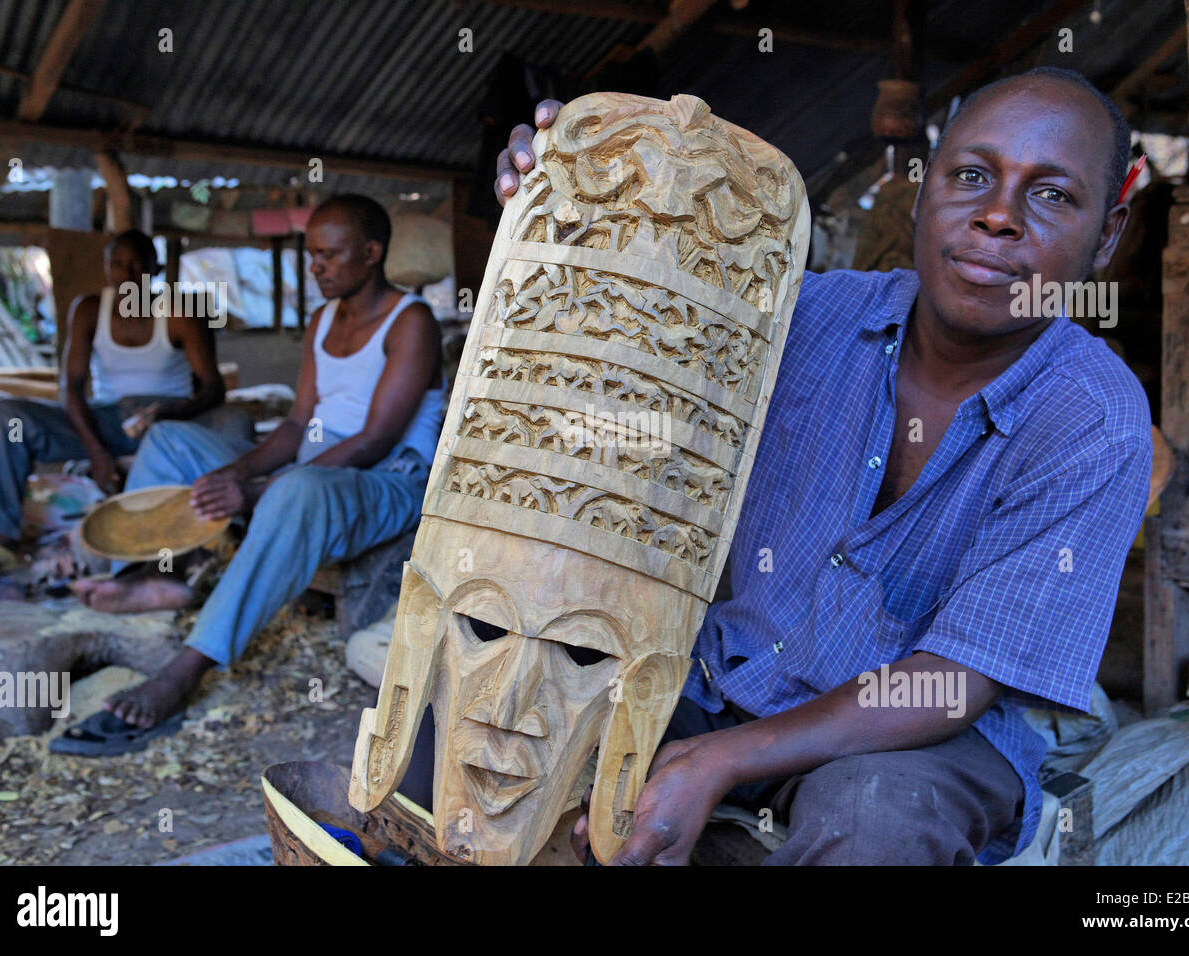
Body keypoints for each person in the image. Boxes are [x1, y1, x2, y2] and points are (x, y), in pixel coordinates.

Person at [451, 66, 1152, 865]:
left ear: (1107, 233)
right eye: (971, 176)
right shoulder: (799, 315)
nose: (997, 216)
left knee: (875, 819)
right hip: (720, 679)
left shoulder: (1093, 421)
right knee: (499, 713)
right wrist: (572, 217)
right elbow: (628, 358)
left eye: (1052, 195)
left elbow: (953, 684)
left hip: (921, 738)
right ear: (922, 197)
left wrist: (720, 760)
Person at [60, 194, 445, 748]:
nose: (317, 267)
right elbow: (293, 426)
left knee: (297, 489)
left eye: (331, 255)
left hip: (387, 482)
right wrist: (239, 476)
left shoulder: (413, 322)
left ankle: (185, 669)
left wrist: (264, 488)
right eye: (312, 254)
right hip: (315, 468)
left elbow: (377, 438)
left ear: (371, 253)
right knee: (170, 440)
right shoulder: (320, 322)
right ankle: (154, 573)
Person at [0, 230, 227, 580]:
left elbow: (213, 389)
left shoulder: (179, 313)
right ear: (106, 268)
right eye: (118, 264)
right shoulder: (89, 310)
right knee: (6, 415)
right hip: (105, 420)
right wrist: (96, 453)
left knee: (225, 430)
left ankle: (186, 550)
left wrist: (169, 412)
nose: (128, 274)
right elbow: (71, 389)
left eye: (138, 265)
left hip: (164, 425)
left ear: (157, 269)